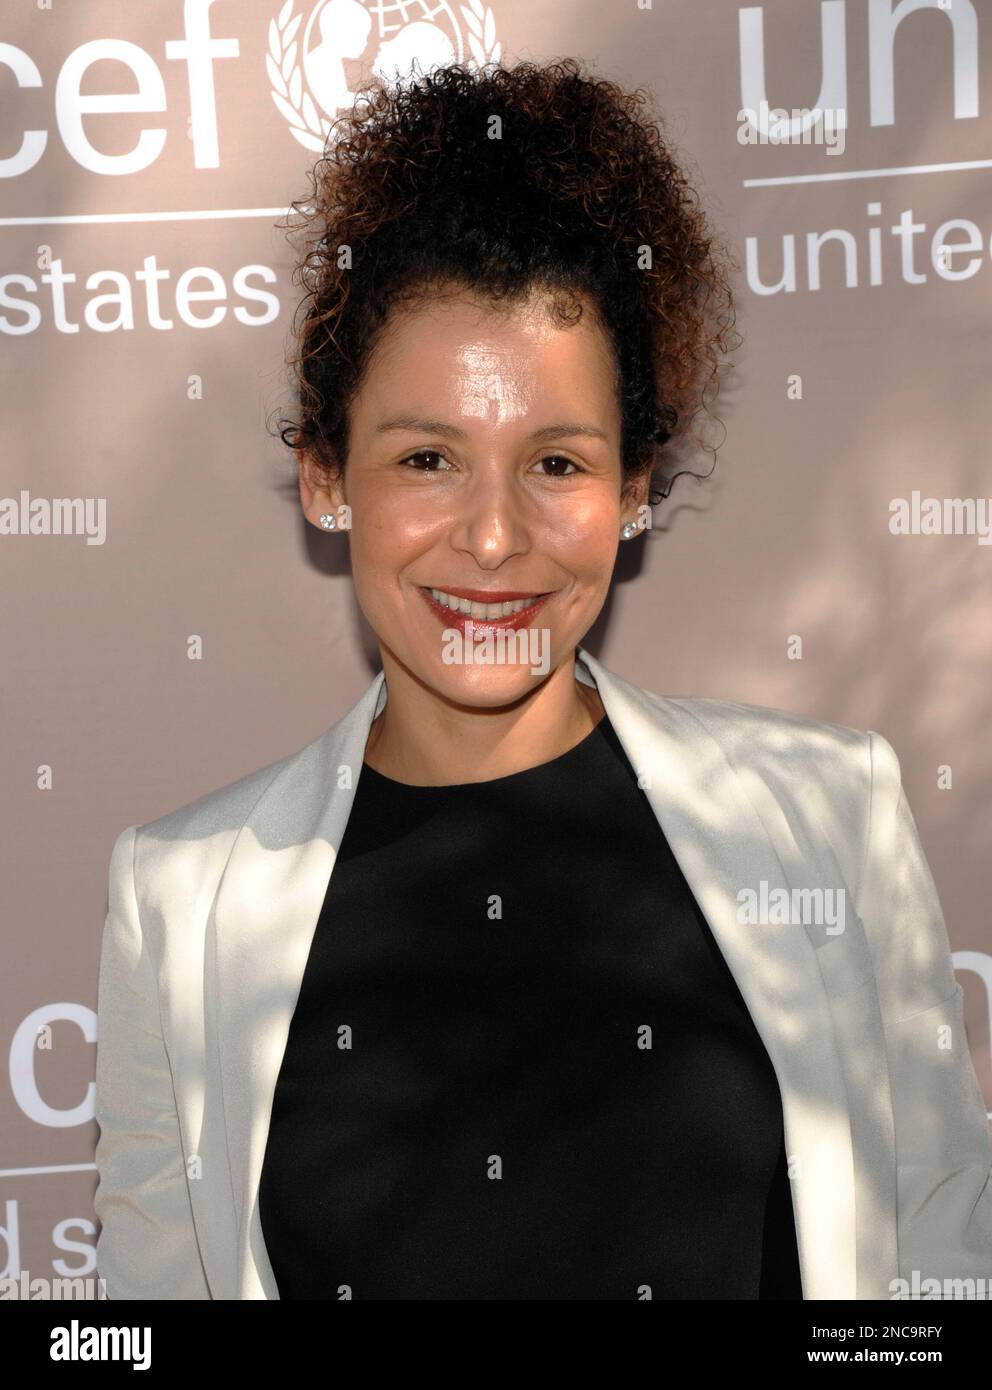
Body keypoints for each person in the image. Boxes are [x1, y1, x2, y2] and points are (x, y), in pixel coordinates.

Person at [93, 58, 992, 1300]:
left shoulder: (828, 814)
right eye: (426, 458)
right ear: (325, 477)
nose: (492, 537)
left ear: (632, 490)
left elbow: (939, 1263)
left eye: (556, 463)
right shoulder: (179, 899)